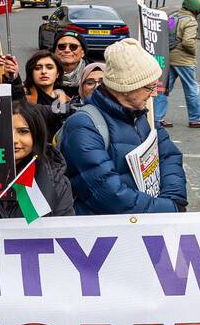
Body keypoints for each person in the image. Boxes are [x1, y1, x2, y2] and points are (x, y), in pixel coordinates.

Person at [58, 38, 188, 215]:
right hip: (102, 236)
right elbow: (109, 194)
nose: (153, 94)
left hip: (146, 224)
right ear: (127, 87)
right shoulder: (83, 126)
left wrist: (173, 198)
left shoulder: (142, 114)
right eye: (149, 87)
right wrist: (165, 209)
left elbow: (169, 155)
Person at [0, 101, 75, 226]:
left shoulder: (57, 183)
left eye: (23, 131)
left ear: (37, 135)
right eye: (6, 131)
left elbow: (65, 233)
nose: (13, 140)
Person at [156, 0, 200, 129]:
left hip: (169, 56)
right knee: (191, 89)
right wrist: (193, 51)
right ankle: (195, 119)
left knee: (163, 89)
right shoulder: (190, 21)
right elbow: (188, 41)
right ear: (195, 11)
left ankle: (157, 118)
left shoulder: (172, 18)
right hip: (184, 59)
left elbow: (165, 34)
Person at [53, 31, 88, 96]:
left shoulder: (93, 74)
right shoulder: (44, 73)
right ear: (55, 51)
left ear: (83, 53)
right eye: (62, 46)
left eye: (73, 47)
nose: (67, 50)